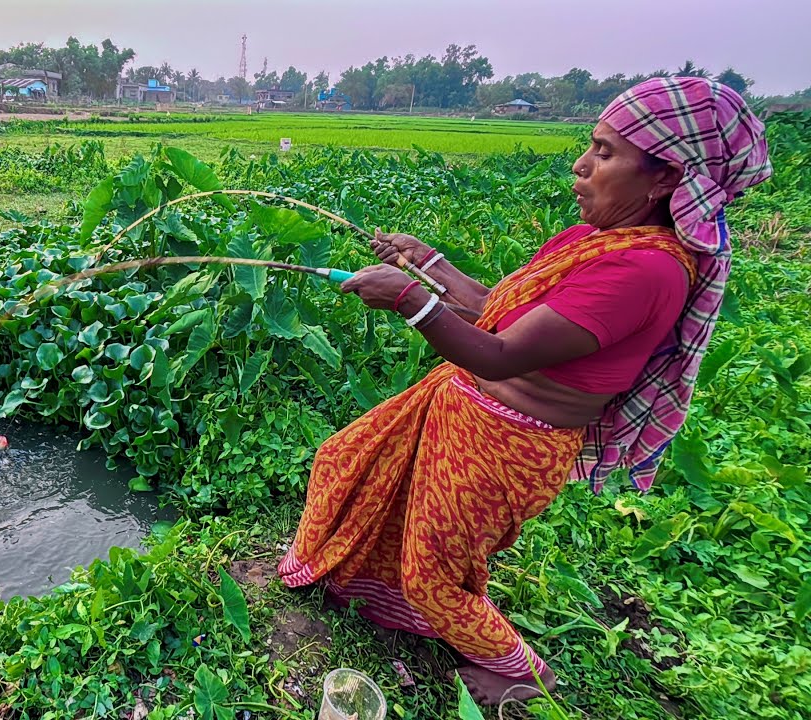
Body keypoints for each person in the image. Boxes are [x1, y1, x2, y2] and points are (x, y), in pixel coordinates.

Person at [277, 77, 772, 704]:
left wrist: (406, 300)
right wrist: (425, 262)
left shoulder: (644, 270)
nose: (582, 164)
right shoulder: (596, 240)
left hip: (507, 445)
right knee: (344, 458)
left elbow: (502, 354)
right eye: (590, 145)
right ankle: (362, 584)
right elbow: (494, 310)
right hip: (463, 404)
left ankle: (524, 671)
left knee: (434, 579)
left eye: (606, 152)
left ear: (667, 179)